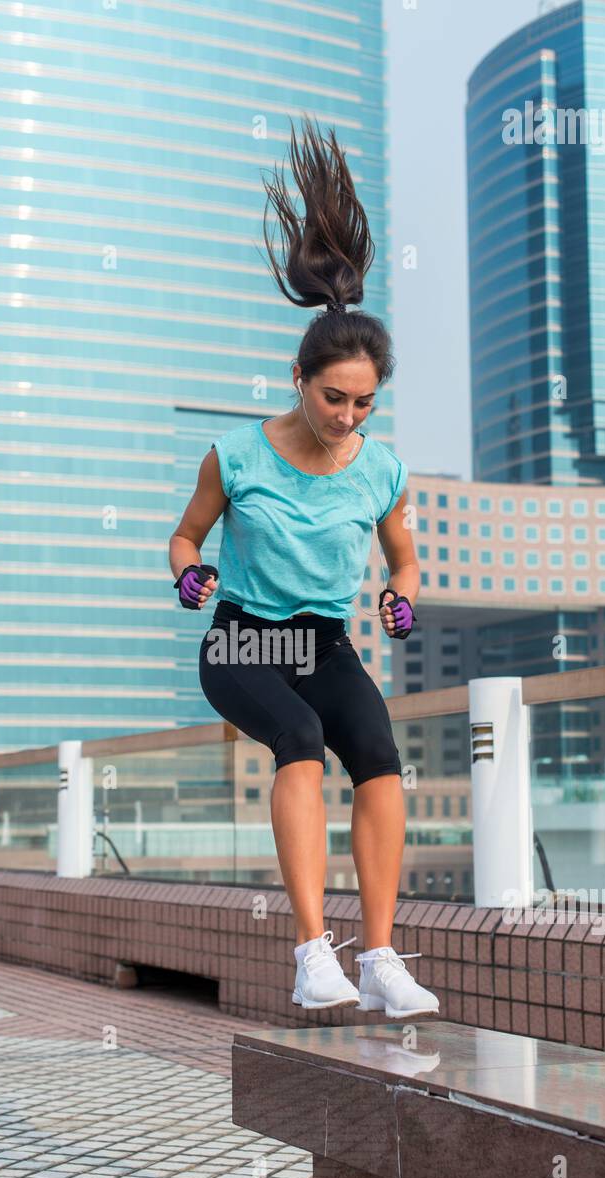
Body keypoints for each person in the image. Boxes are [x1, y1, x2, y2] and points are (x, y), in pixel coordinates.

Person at [168, 115, 439, 1021]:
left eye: (365, 403)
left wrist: (401, 598)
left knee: (378, 761)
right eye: (334, 397)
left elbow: (403, 562)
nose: (348, 417)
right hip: (242, 642)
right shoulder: (236, 455)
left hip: (325, 643)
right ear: (298, 378)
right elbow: (185, 538)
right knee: (297, 746)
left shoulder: (382, 467)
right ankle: (310, 954)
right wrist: (187, 577)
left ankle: (381, 959)